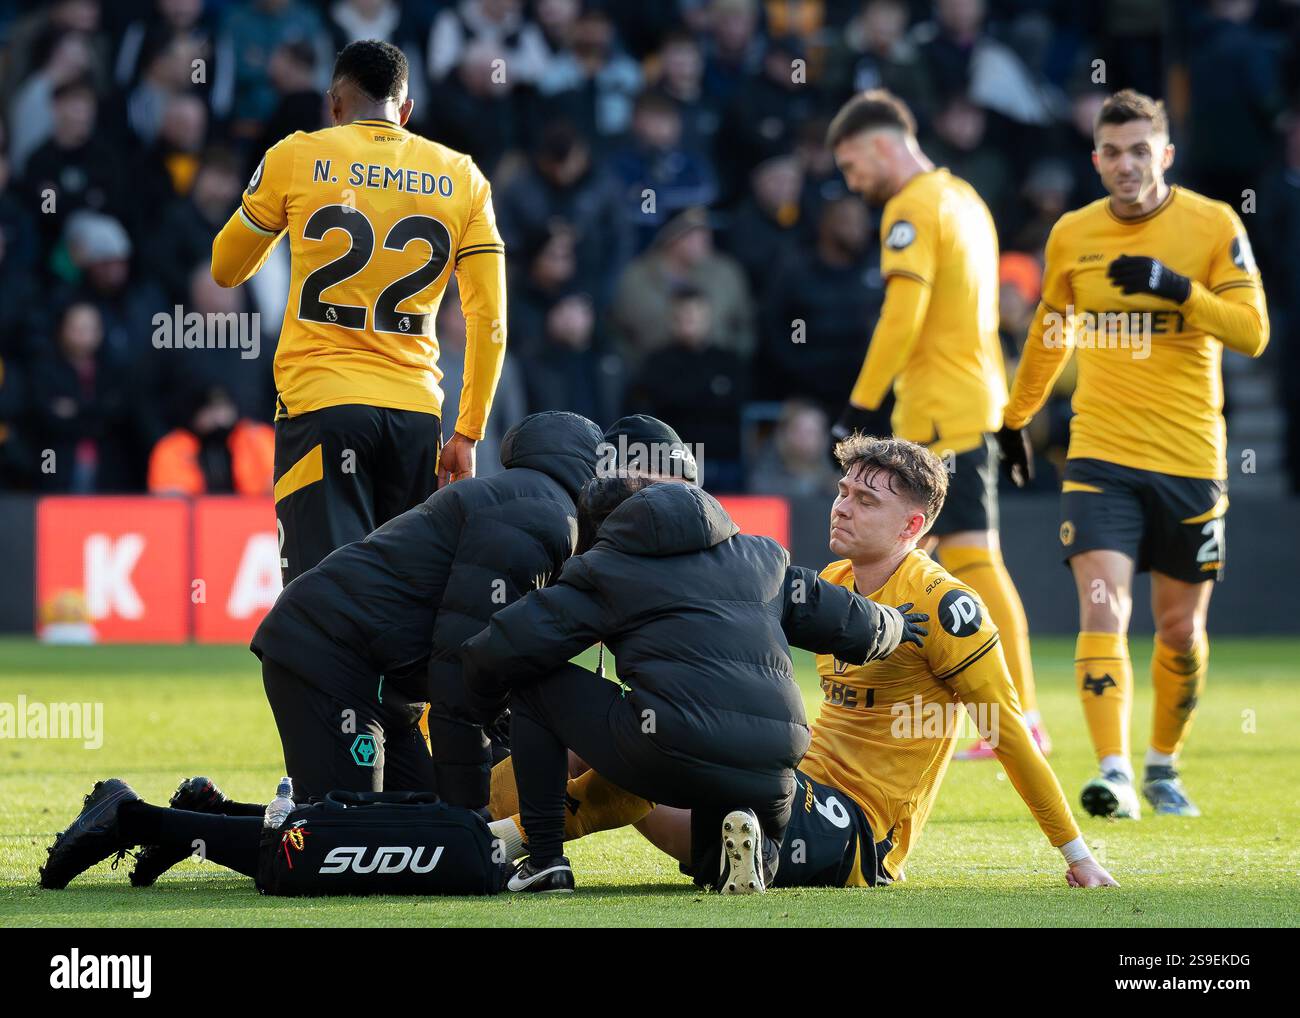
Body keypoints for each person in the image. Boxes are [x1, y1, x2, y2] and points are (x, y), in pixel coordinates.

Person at [492, 436, 1119, 890]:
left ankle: (515, 841)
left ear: (913, 525)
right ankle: (484, 819)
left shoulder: (947, 606)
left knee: (649, 754)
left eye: (865, 501)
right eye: (843, 492)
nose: (842, 507)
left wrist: (1076, 852)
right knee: (640, 730)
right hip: (784, 780)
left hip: (857, 829)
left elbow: (1007, 734)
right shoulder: (832, 581)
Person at [123, 411, 603, 888]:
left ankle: (210, 817)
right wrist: (470, 816)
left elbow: (476, 652)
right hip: (330, 659)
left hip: (370, 674)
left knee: (412, 836)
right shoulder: (542, 518)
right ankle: (133, 819)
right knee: (349, 847)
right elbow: (463, 662)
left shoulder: (523, 502)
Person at [1001, 89, 1269, 819]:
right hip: (1099, 457)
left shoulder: (1212, 224)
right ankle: (1114, 772)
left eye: (1140, 150)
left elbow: (1252, 332)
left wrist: (1176, 289)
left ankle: (1161, 764)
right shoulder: (1072, 235)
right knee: (1103, 609)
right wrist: (1014, 418)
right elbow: (1051, 330)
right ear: (1095, 159)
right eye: (1113, 152)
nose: (1127, 164)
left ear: (1167, 155)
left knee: (1180, 631)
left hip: (1190, 459)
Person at [461, 476, 928, 893]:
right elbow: (845, 618)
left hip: (669, 753)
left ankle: (545, 859)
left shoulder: (608, 568)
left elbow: (505, 647)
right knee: (718, 776)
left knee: (537, 681)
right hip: (776, 767)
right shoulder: (760, 556)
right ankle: (762, 846)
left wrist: (481, 711)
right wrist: (895, 624)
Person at [210, 39, 507, 583]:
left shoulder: (295, 155)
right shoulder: (463, 177)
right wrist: (467, 432)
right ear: (407, 110)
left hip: (321, 406)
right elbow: (489, 323)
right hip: (415, 417)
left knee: (320, 601)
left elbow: (227, 268)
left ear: (335, 106)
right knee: (406, 605)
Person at [826, 88, 1049, 756]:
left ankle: (1019, 717)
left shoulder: (912, 207)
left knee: (973, 558)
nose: (852, 181)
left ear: (880, 144)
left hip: (941, 413)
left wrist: (862, 404)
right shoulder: (967, 199)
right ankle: (896, 705)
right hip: (969, 402)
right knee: (908, 562)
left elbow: (904, 315)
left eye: (851, 165)